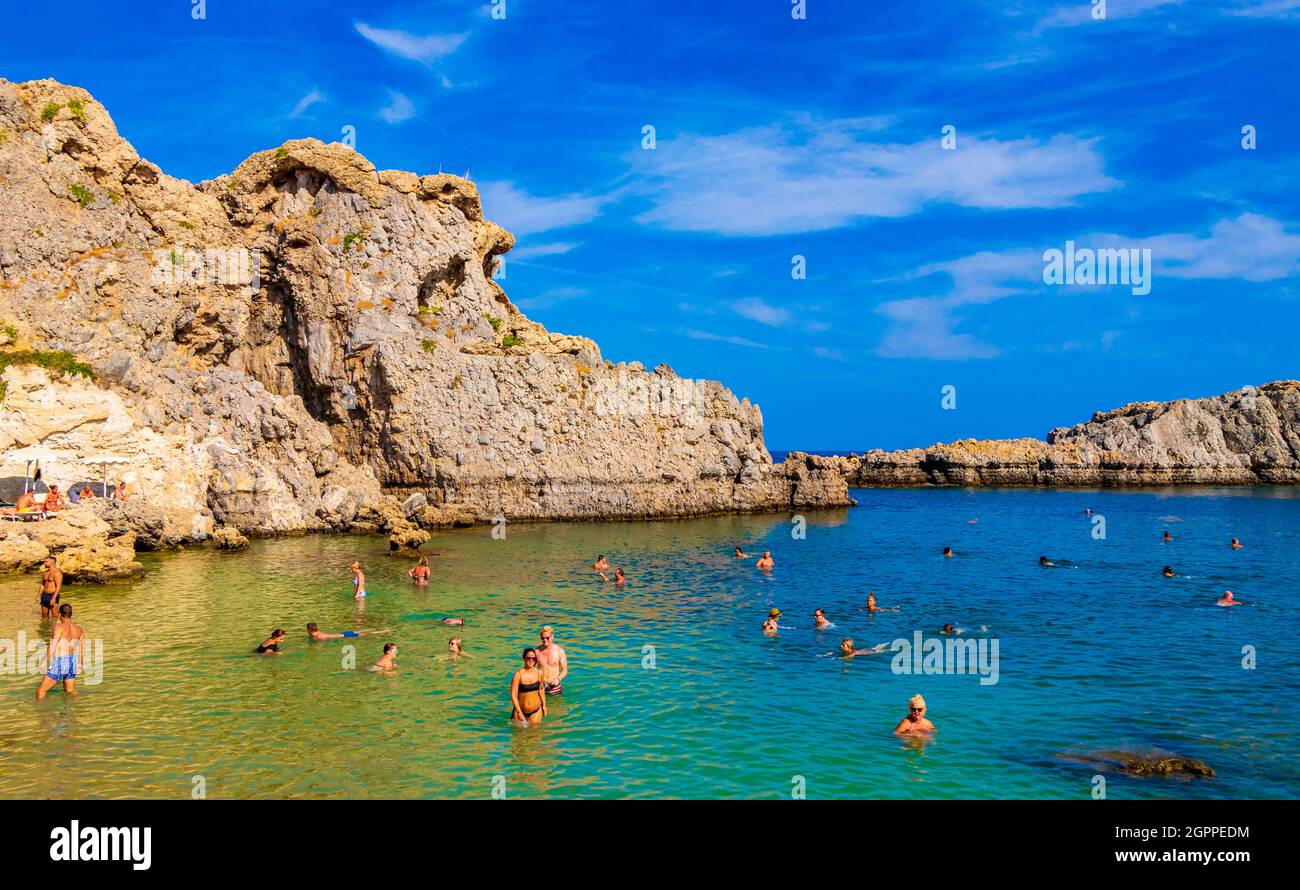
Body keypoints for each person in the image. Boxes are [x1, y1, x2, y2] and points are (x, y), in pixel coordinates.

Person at [37, 603, 83, 699]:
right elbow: (82, 650)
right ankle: (78, 705)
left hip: (61, 662)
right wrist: (80, 664)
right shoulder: (79, 629)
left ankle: (40, 709)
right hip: (72, 661)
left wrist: (43, 661)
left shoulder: (58, 628)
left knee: (41, 691)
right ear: (71, 614)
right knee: (70, 691)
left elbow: (52, 646)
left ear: (59, 614)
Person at [510, 648, 547, 725]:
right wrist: (519, 712)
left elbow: (541, 690)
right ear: (524, 658)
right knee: (519, 732)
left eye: (533, 658)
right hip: (520, 711)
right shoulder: (518, 675)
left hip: (536, 710)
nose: (531, 660)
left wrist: (544, 705)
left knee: (535, 731)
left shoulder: (539, 673)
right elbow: (513, 695)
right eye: (528, 658)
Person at [535, 625, 568, 696]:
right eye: (542, 638)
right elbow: (531, 669)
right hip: (540, 686)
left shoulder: (560, 651)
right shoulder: (536, 651)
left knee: (556, 703)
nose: (545, 640)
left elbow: (564, 670)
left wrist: (558, 679)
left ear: (552, 636)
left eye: (547, 638)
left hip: (555, 686)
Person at [306, 621, 381, 641]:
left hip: (345, 636)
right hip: (343, 633)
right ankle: (375, 628)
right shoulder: (318, 632)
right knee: (359, 631)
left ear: (309, 629)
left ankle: (382, 631)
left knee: (368, 634)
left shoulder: (318, 637)